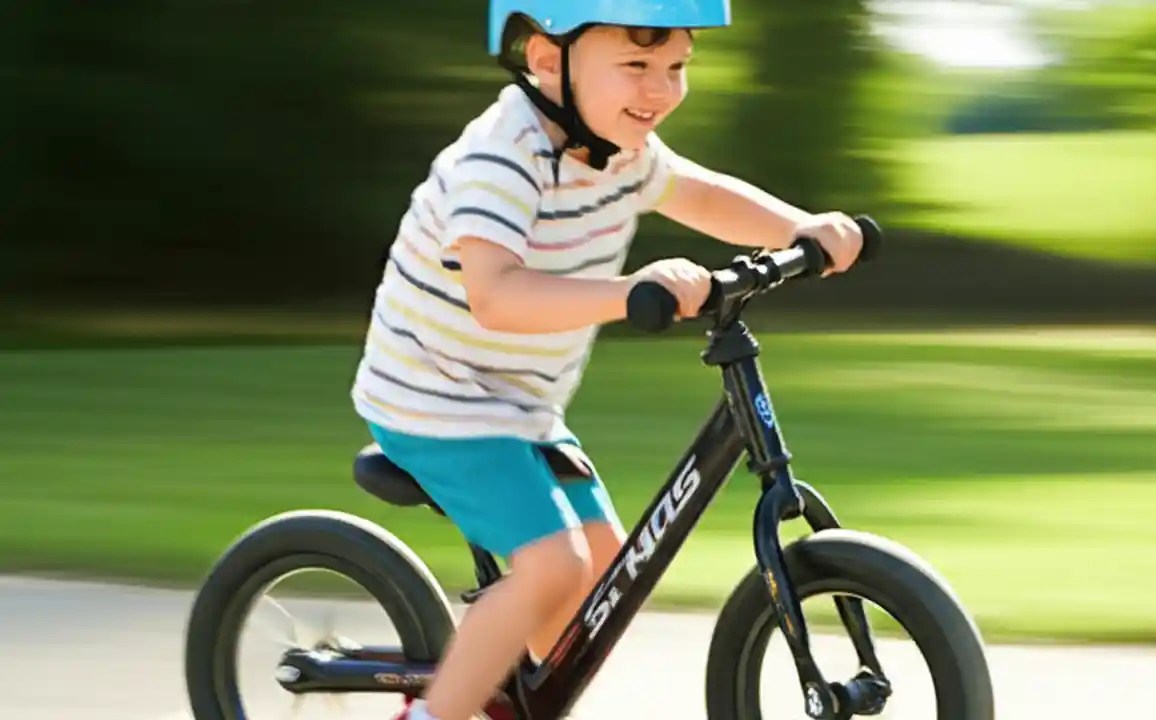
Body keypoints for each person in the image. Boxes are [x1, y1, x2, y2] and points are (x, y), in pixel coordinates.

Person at [350, 2, 866, 718]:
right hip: (435, 395)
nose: (660, 90)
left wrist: (800, 228)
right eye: (636, 65)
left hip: (522, 405)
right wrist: (631, 292)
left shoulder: (621, 151)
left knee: (603, 570)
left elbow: (700, 195)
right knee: (552, 565)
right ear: (545, 59)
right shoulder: (501, 158)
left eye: (677, 67)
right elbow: (495, 297)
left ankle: (507, 695)